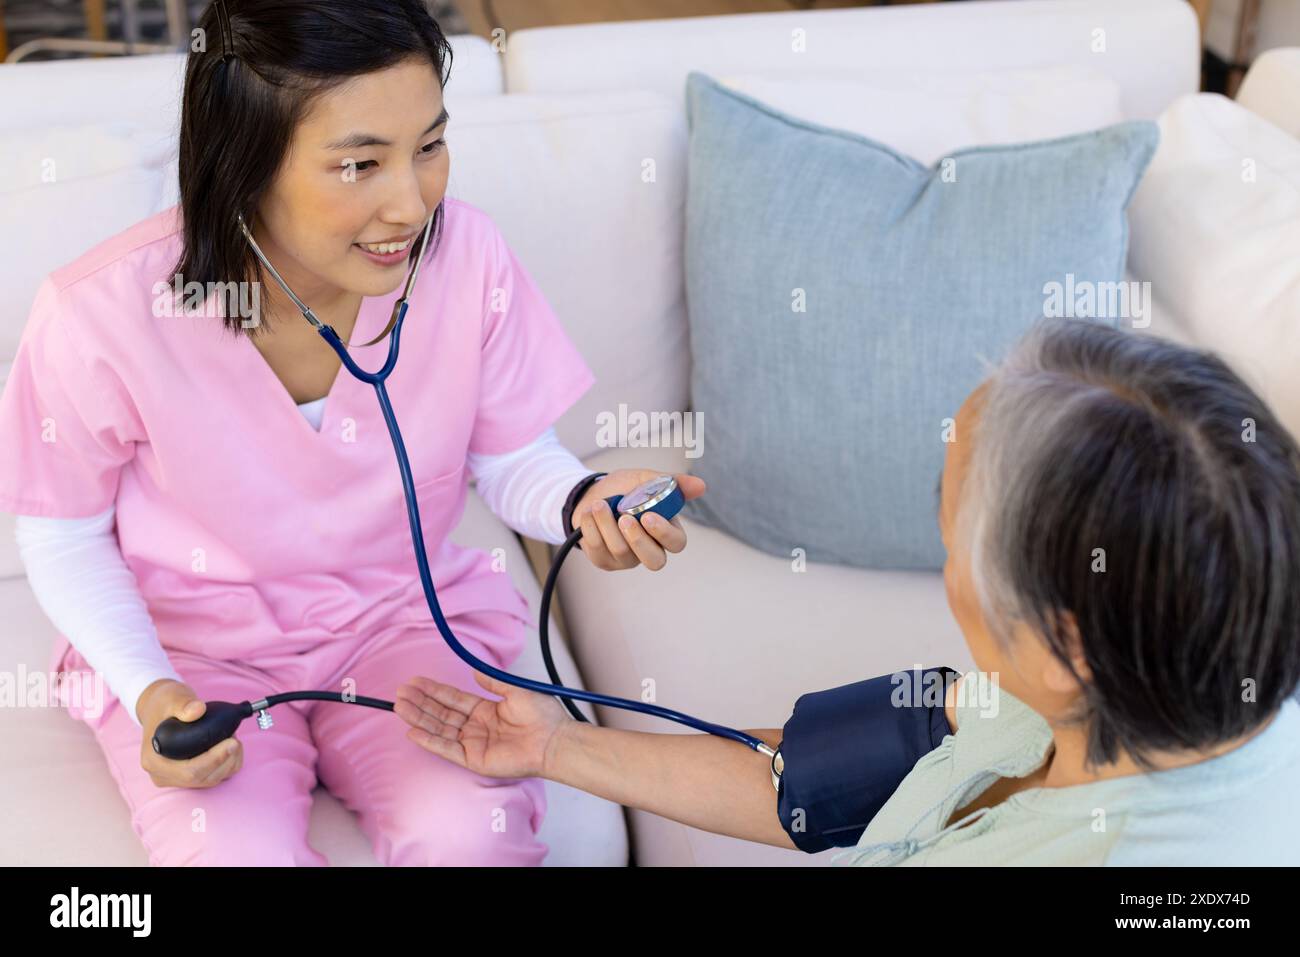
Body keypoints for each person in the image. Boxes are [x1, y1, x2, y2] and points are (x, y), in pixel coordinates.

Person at [0, 0, 703, 866]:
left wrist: (581, 501)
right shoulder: (100, 312)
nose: (411, 204)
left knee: (468, 837)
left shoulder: (467, 258)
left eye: (430, 148)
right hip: (194, 649)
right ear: (244, 163)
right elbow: (62, 534)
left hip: (399, 624)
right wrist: (152, 694)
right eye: (361, 163)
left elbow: (513, 455)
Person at [396, 318, 1300, 865]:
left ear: (1066, 648)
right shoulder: (1153, 676)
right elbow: (811, 781)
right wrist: (558, 750)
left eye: (949, 538)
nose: (947, 568)